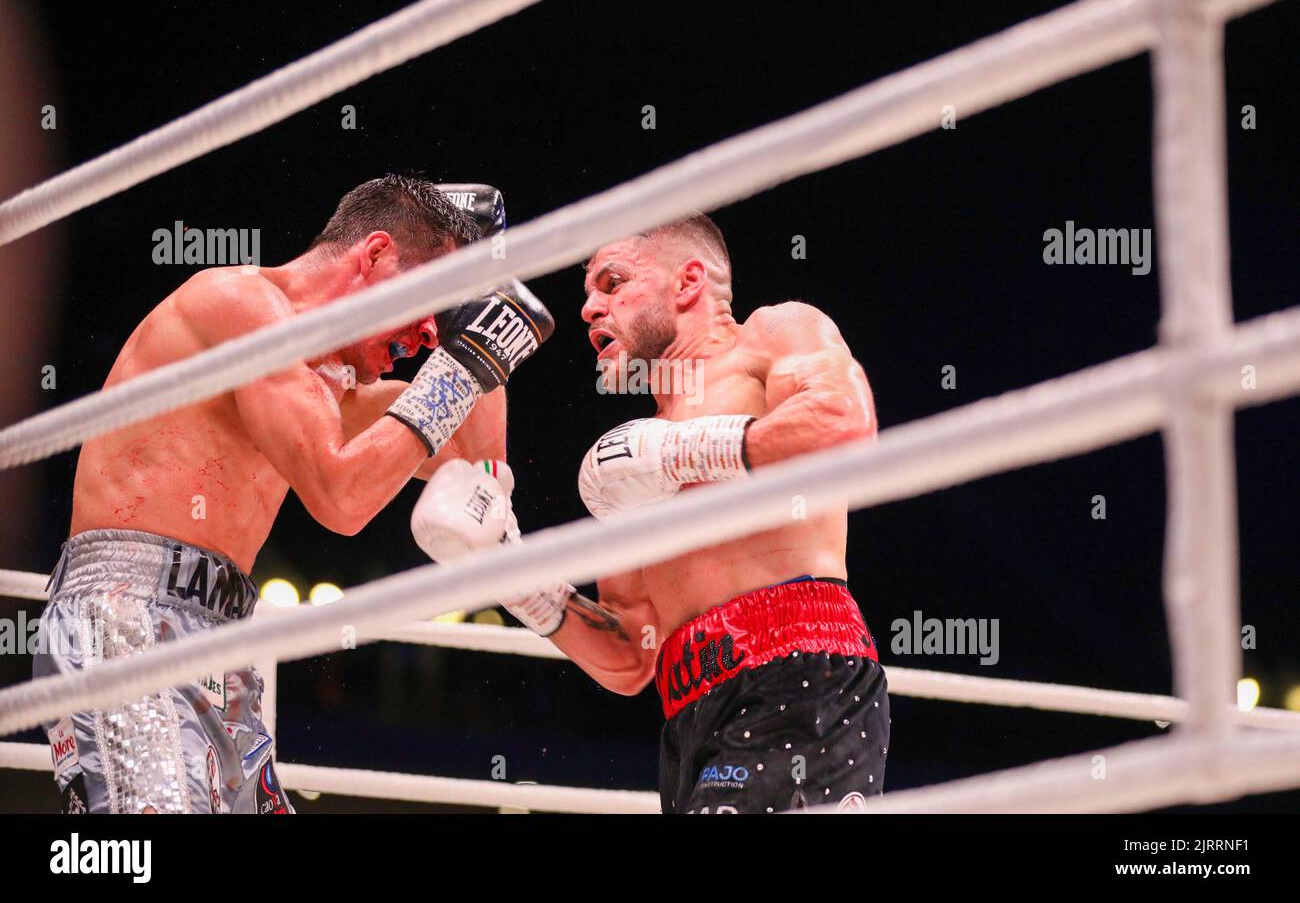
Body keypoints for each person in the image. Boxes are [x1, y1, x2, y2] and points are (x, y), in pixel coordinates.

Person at [35, 175, 553, 814]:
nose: (428, 337)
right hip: (127, 616)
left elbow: (474, 458)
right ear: (375, 254)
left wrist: (477, 320)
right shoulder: (235, 304)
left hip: (221, 635)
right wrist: (460, 365)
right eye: (430, 306)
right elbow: (341, 498)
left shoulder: (324, 389)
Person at [412, 213, 887, 814]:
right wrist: (511, 574)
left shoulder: (770, 335)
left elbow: (845, 426)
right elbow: (631, 655)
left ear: (688, 281)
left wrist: (678, 453)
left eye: (611, 283)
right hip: (689, 711)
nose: (588, 308)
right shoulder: (626, 465)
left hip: (795, 673)